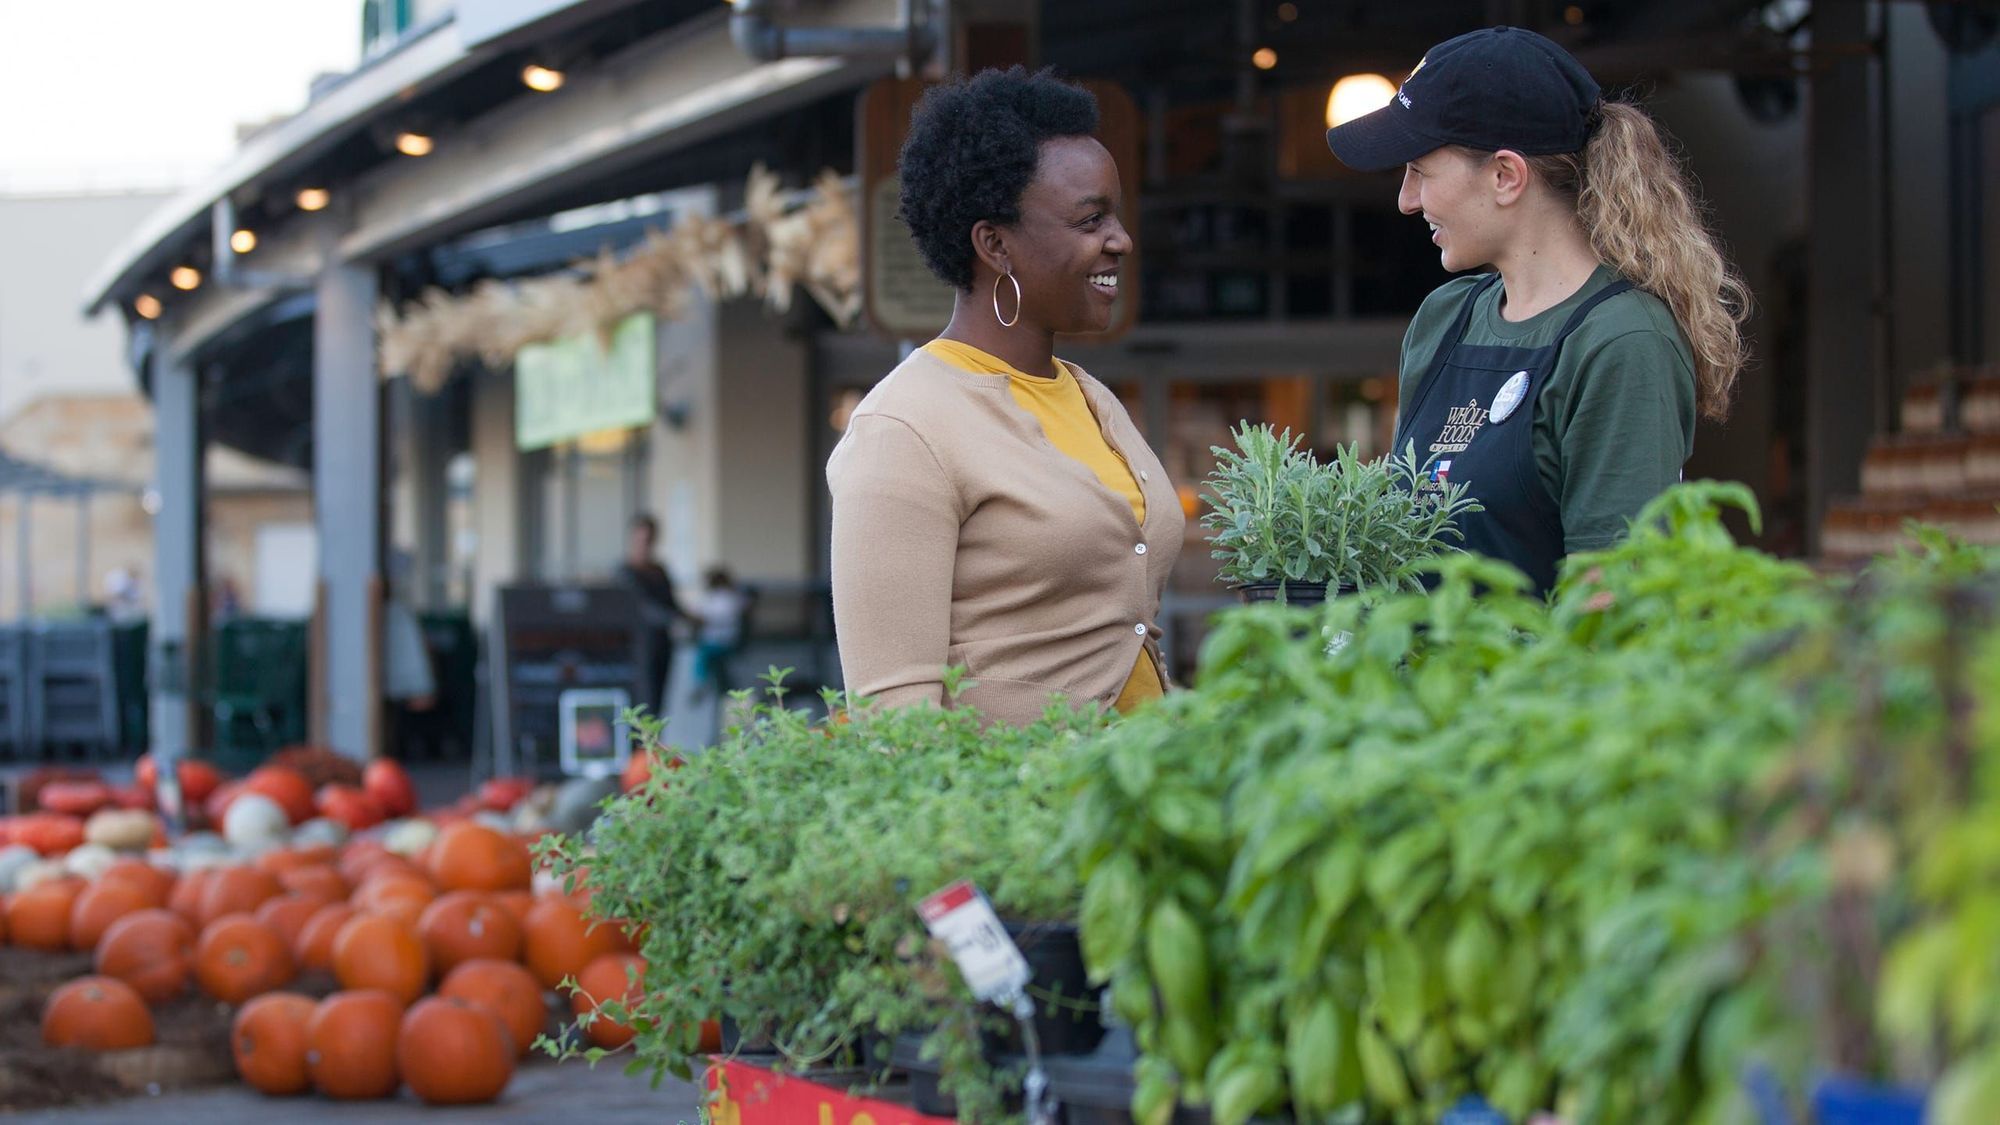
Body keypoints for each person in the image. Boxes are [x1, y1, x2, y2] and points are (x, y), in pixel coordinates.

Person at [1325, 26, 1750, 596]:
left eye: (1419, 171)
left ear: (1506, 176)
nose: (1406, 200)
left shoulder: (1622, 341)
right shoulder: (1445, 318)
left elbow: (1613, 606)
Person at [827, 67, 1183, 726]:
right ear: (994, 243)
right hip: (1025, 817)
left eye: (1117, 215)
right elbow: (895, 720)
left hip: (1147, 800)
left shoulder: (1091, 397)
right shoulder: (904, 428)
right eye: (1090, 219)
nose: (1120, 240)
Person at [616, 513, 697, 719]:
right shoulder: (625, 571)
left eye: (649, 539)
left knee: (660, 697)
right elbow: (641, 606)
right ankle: (642, 747)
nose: (645, 544)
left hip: (663, 643)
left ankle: (654, 745)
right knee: (644, 697)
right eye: (641, 539)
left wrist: (691, 617)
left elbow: (671, 602)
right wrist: (672, 619)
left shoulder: (659, 570)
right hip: (639, 645)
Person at [692, 566, 750, 696]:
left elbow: (708, 616)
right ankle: (706, 684)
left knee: (704, 655)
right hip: (718, 639)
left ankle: (700, 683)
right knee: (705, 655)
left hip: (724, 641)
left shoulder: (726, 597)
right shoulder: (726, 596)